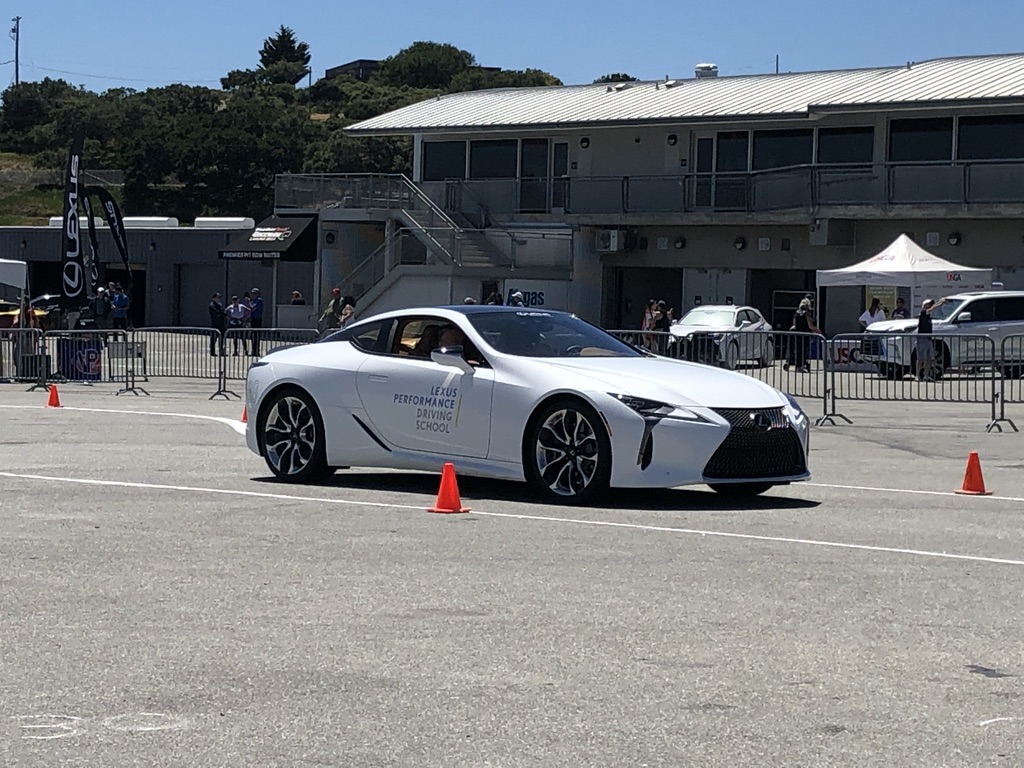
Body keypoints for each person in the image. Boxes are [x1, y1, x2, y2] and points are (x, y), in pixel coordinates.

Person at [916, 297, 948, 381]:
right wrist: (940, 302)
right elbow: (932, 308)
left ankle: (926, 375)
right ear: (925, 305)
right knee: (920, 358)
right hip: (922, 338)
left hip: (928, 338)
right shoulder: (923, 313)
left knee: (929, 358)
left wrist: (940, 302)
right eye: (929, 304)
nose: (930, 305)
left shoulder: (929, 316)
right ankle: (917, 375)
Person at [785, 297, 820, 372]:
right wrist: (816, 330)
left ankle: (790, 362)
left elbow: (794, 324)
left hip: (797, 334)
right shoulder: (806, 314)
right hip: (804, 334)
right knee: (803, 350)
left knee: (795, 349)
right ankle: (800, 366)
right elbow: (810, 325)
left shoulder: (796, 313)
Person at [248, 287, 264, 356]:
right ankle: (254, 350)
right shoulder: (253, 301)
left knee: (256, 336)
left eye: (254, 293)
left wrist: (248, 303)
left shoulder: (258, 300)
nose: (252, 295)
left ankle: (256, 351)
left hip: (257, 319)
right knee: (253, 336)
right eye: (252, 293)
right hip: (253, 319)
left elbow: (253, 308)